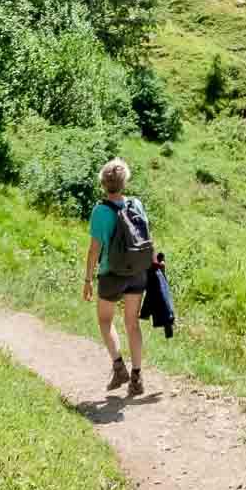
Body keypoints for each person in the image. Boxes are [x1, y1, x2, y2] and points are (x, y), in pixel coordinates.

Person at [85, 157, 155, 397]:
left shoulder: (100, 211)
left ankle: (118, 367)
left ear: (103, 184)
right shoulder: (136, 204)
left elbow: (94, 249)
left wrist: (87, 280)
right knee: (132, 324)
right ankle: (137, 378)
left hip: (111, 273)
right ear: (124, 182)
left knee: (105, 320)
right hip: (137, 271)